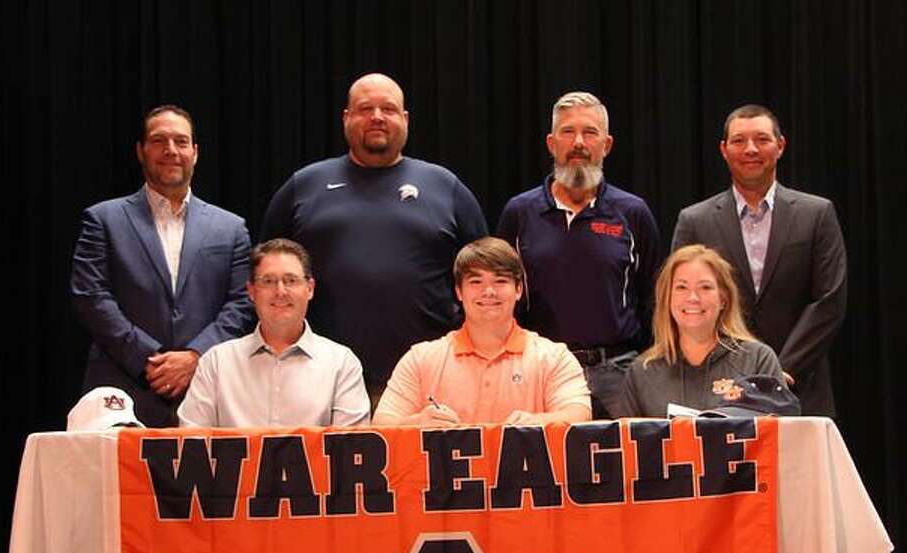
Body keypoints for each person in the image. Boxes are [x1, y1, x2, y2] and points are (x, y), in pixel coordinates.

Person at [259, 73, 488, 401]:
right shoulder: (303, 187)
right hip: (320, 381)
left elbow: (485, 278)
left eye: (388, 109)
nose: (377, 117)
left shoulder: (445, 187)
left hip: (430, 381)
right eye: (365, 108)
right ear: (346, 118)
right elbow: (264, 275)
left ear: (405, 119)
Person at [70, 105, 253, 428]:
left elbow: (241, 303)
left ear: (195, 153)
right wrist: (148, 360)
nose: (171, 150)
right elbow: (91, 297)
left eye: (181, 142)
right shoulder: (103, 220)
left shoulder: (231, 228)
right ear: (140, 151)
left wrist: (195, 357)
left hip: (207, 390)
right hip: (122, 389)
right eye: (159, 141)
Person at [671, 104, 846, 418]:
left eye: (761, 139)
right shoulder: (694, 220)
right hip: (720, 389)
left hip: (800, 385)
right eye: (739, 141)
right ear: (724, 150)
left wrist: (781, 371)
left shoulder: (816, 214)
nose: (750, 149)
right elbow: (683, 300)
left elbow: (829, 300)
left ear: (780, 146)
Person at [496, 91, 662, 419]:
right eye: (568, 132)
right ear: (551, 143)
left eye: (590, 132)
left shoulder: (633, 213)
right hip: (540, 373)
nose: (578, 142)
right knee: (543, 467)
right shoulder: (519, 212)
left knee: (624, 466)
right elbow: (501, 295)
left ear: (607, 144)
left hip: (618, 373)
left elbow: (654, 299)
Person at [373, 238, 591, 426]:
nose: (488, 292)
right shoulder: (420, 359)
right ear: (459, 291)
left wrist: (536, 423)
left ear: (518, 289)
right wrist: (417, 423)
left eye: (500, 281)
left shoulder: (554, 357)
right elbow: (381, 426)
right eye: (476, 281)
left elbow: (580, 415)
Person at [178, 239, 369, 428]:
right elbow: (191, 444)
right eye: (268, 281)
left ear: (310, 289)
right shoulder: (216, 363)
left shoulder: (342, 364)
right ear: (251, 291)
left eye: (291, 280)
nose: (280, 291)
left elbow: (351, 451)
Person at [621, 245, 785, 418]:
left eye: (705, 287)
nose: (693, 298)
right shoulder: (641, 372)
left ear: (723, 299)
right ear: (666, 298)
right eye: (681, 287)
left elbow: (783, 437)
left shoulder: (758, 360)